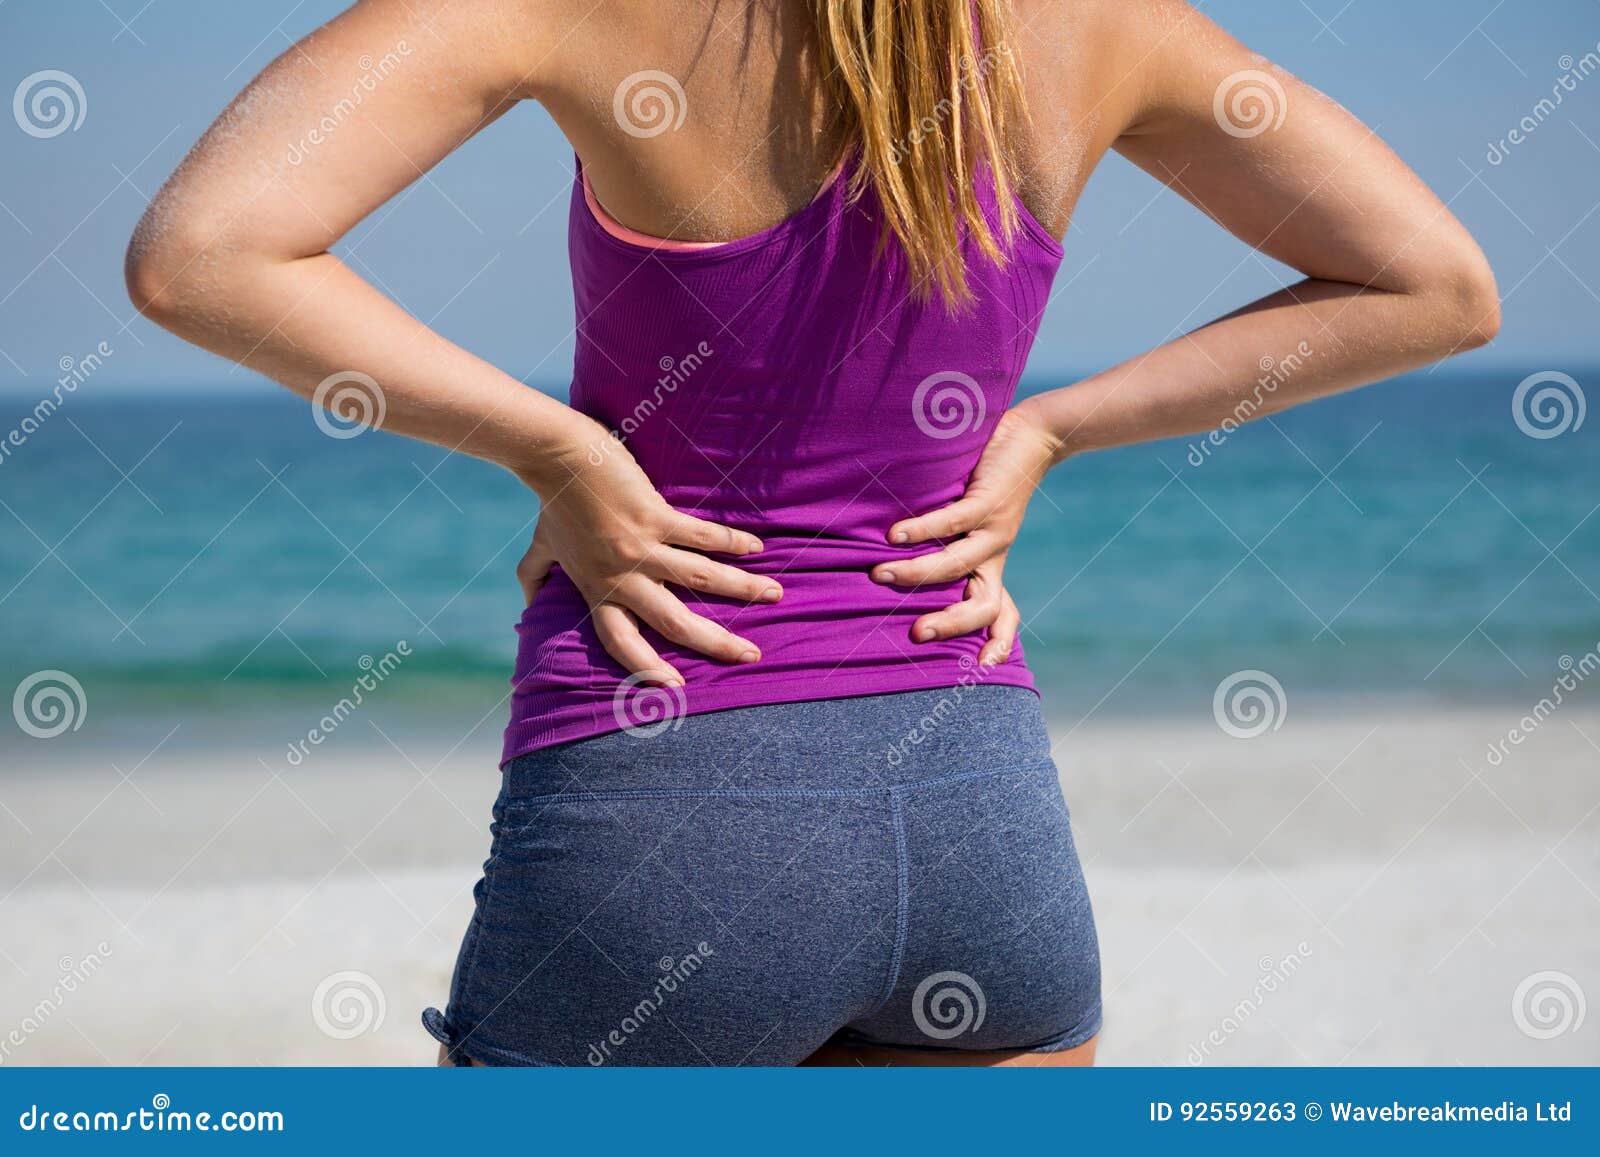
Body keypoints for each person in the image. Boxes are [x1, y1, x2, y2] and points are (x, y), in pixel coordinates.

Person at [125, 0, 1498, 1067]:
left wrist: (556, 448)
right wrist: (1048, 427)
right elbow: (1436, 286)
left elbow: (201, 256)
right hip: (979, 822)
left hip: (660, 810)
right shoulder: (1102, 24)